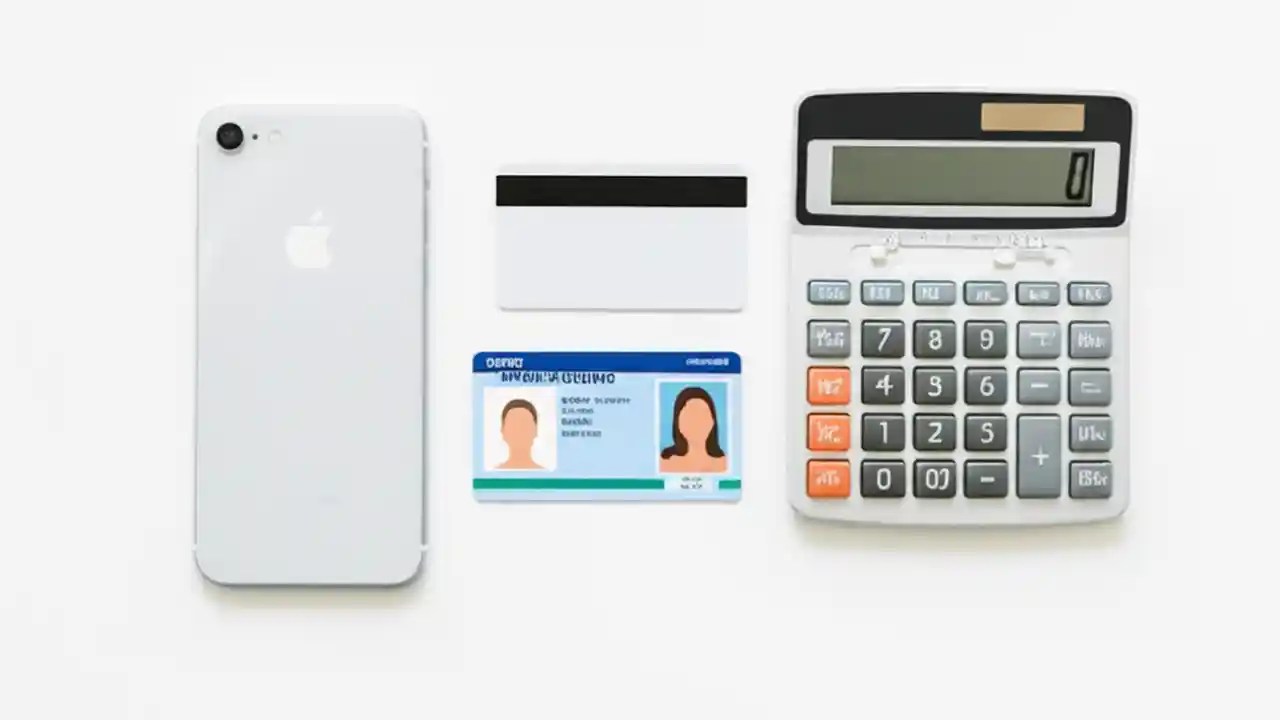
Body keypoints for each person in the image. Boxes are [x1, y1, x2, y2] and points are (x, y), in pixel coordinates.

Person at [659, 386, 727, 474]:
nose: (697, 423)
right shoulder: (664, 463)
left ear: (713, 422)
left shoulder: (725, 464)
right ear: (677, 422)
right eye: (690, 415)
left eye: (702, 415)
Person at [497, 399, 543, 470]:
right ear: (503, 431)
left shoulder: (547, 477)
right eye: (513, 425)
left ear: (535, 431)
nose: (519, 431)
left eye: (524, 424)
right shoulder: (492, 476)